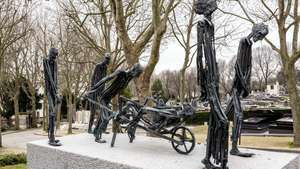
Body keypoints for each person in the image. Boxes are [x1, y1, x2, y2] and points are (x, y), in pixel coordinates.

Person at [85, 63, 143, 143]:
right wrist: (92, 90)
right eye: (138, 74)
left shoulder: (128, 79)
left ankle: (95, 131)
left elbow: (119, 93)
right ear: (134, 70)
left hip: (109, 98)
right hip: (103, 97)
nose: (137, 76)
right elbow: (105, 79)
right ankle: (97, 138)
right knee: (105, 118)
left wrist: (120, 105)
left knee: (103, 116)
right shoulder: (121, 73)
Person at [43, 48, 62, 146]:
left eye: (56, 56)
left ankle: (52, 136)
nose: (54, 58)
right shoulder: (45, 61)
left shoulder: (54, 63)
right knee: (52, 113)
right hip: (49, 91)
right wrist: (54, 90)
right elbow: (49, 77)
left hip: (54, 91)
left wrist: (57, 92)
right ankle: (51, 138)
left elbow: (55, 78)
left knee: (54, 114)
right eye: (53, 56)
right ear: (50, 54)